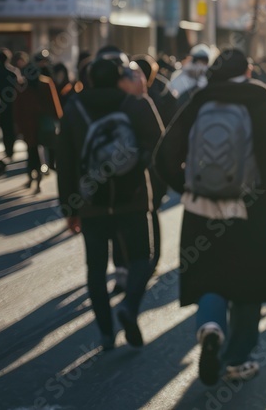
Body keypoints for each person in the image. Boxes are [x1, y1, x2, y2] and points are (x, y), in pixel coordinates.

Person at [154, 49, 266, 385]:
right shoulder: (262, 102)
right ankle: (237, 360)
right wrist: (265, 201)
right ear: (247, 70)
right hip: (250, 212)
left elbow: (164, 155)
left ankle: (211, 326)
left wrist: (188, 189)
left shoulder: (198, 102)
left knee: (210, 276)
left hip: (201, 210)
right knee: (248, 286)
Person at [56, 58, 165, 351]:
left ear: (88, 80)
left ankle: (105, 334)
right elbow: (159, 144)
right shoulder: (136, 104)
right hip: (134, 198)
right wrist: (138, 164)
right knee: (143, 257)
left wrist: (70, 207)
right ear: (120, 79)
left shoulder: (74, 111)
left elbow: (64, 163)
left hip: (91, 201)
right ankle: (129, 307)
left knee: (95, 269)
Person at [14, 59, 63, 193]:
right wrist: (59, 118)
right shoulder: (46, 83)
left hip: (28, 125)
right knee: (46, 149)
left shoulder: (22, 87)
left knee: (32, 152)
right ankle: (44, 172)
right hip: (45, 122)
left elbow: (18, 109)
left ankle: (33, 176)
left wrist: (18, 126)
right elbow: (55, 103)